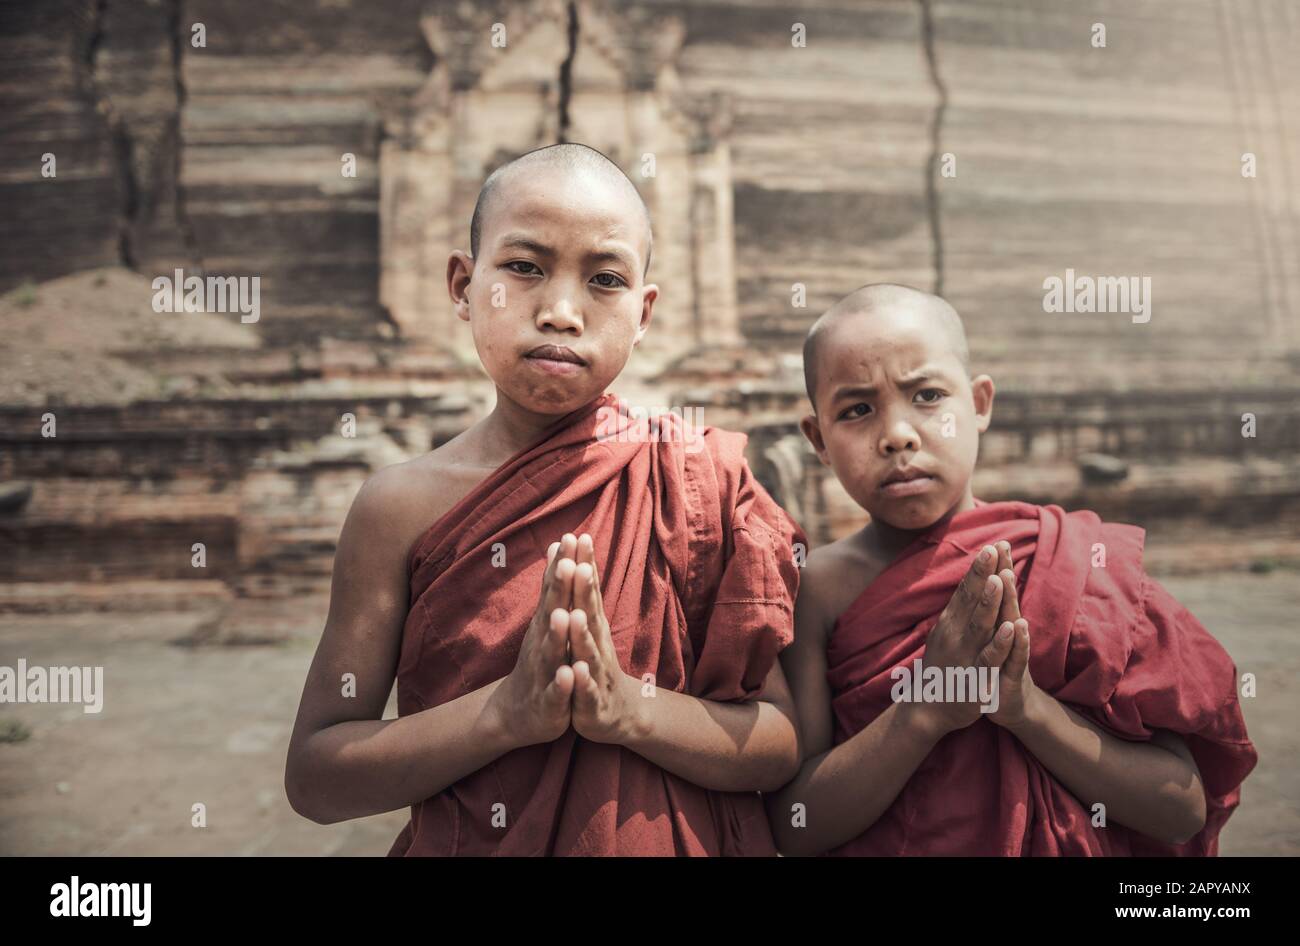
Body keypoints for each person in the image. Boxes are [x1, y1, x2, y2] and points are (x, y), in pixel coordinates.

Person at [284, 143, 805, 855]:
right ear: (464, 286)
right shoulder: (398, 508)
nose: (562, 311)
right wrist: (506, 712)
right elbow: (317, 776)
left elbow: (776, 744)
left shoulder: (697, 479)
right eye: (525, 268)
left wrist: (628, 709)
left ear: (643, 312)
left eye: (606, 279)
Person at [767, 283, 1256, 856]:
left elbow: (1180, 809)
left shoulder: (1075, 563)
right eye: (856, 410)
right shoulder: (816, 591)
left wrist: (1026, 709)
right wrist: (926, 709)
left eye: (926, 395)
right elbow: (797, 825)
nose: (897, 434)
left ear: (978, 404)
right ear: (818, 439)